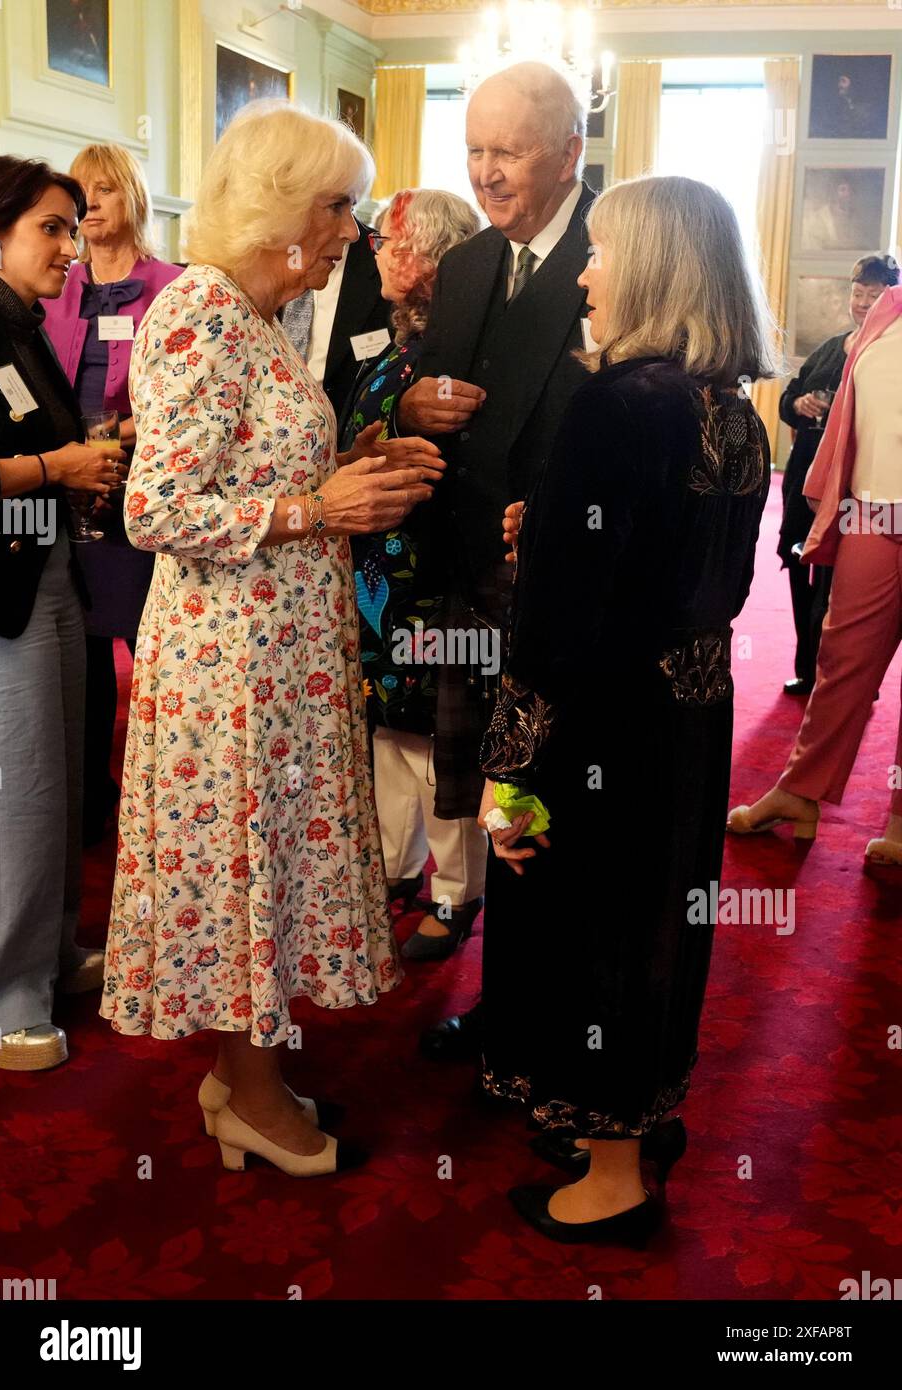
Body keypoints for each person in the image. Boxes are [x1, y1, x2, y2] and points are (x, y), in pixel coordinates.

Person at [99, 99, 443, 1176]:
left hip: (280, 653)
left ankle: (239, 1072)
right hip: (230, 667)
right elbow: (152, 509)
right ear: (281, 207)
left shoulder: (260, 317)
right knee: (247, 869)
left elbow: (254, 468)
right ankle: (248, 1091)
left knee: (270, 869)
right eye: (340, 204)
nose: (355, 227)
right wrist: (316, 510)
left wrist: (358, 462)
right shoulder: (199, 311)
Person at [480, 174, 774, 1244]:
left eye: (603, 252)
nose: (588, 272)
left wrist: (512, 776)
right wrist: (552, 525)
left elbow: (560, 626)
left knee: (593, 931)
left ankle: (612, 1178)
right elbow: (684, 570)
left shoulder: (616, 402)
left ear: (652, 266)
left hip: (598, 723)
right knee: (661, 923)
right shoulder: (731, 409)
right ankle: (637, 1125)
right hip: (688, 713)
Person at [389, 62, 599, 1055]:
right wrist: (413, 403)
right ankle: (494, 980)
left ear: (570, 153)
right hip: (458, 572)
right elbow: (425, 388)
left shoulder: (619, 257)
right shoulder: (469, 264)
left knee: (543, 802)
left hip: (559, 581)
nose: (485, 173)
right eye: (473, 151)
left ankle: (550, 1017)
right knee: (468, 769)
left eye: (507, 152)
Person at [0, 156, 127, 1071]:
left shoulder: (23, 325)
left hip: (50, 575)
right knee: (23, 800)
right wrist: (59, 470)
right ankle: (7, 1001)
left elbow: (39, 441)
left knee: (67, 779)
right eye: (52, 227)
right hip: (4, 592)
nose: (71, 249)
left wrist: (86, 455)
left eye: (74, 229)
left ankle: (52, 953)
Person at [340, 188, 484, 961]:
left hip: (440, 567)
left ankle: (458, 891)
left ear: (439, 256)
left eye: (400, 242)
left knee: (441, 740)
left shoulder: (466, 342)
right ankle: (394, 868)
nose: (380, 252)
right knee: (387, 727)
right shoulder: (391, 337)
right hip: (378, 571)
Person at [728, 277, 902, 866]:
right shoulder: (887, 311)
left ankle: (901, 821)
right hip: (873, 511)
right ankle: (799, 792)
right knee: (841, 659)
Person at [41, 144, 183, 844]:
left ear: (134, 198)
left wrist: (117, 440)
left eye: (105, 189)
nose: (90, 203)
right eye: (80, 192)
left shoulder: (172, 285)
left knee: (151, 645)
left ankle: (165, 793)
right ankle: (94, 795)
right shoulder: (56, 288)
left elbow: (182, 393)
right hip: (71, 485)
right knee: (89, 651)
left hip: (144, 482)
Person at [778, 254, 900, 696]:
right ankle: (806, 669)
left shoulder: (887, 354)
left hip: (849, 489)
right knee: (798, 564)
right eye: (858, 293)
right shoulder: (832, 346)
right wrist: (798, 405)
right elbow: (787, 396)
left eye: (873, 295)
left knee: (838, 585)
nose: (863, 302)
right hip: (804, 479)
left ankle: (844, 681)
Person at [281, 219, 389, 427]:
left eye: (350, 203)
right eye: (335, 206)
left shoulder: (381, 256)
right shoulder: (261, 254)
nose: (352, 229)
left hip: (346, 438)